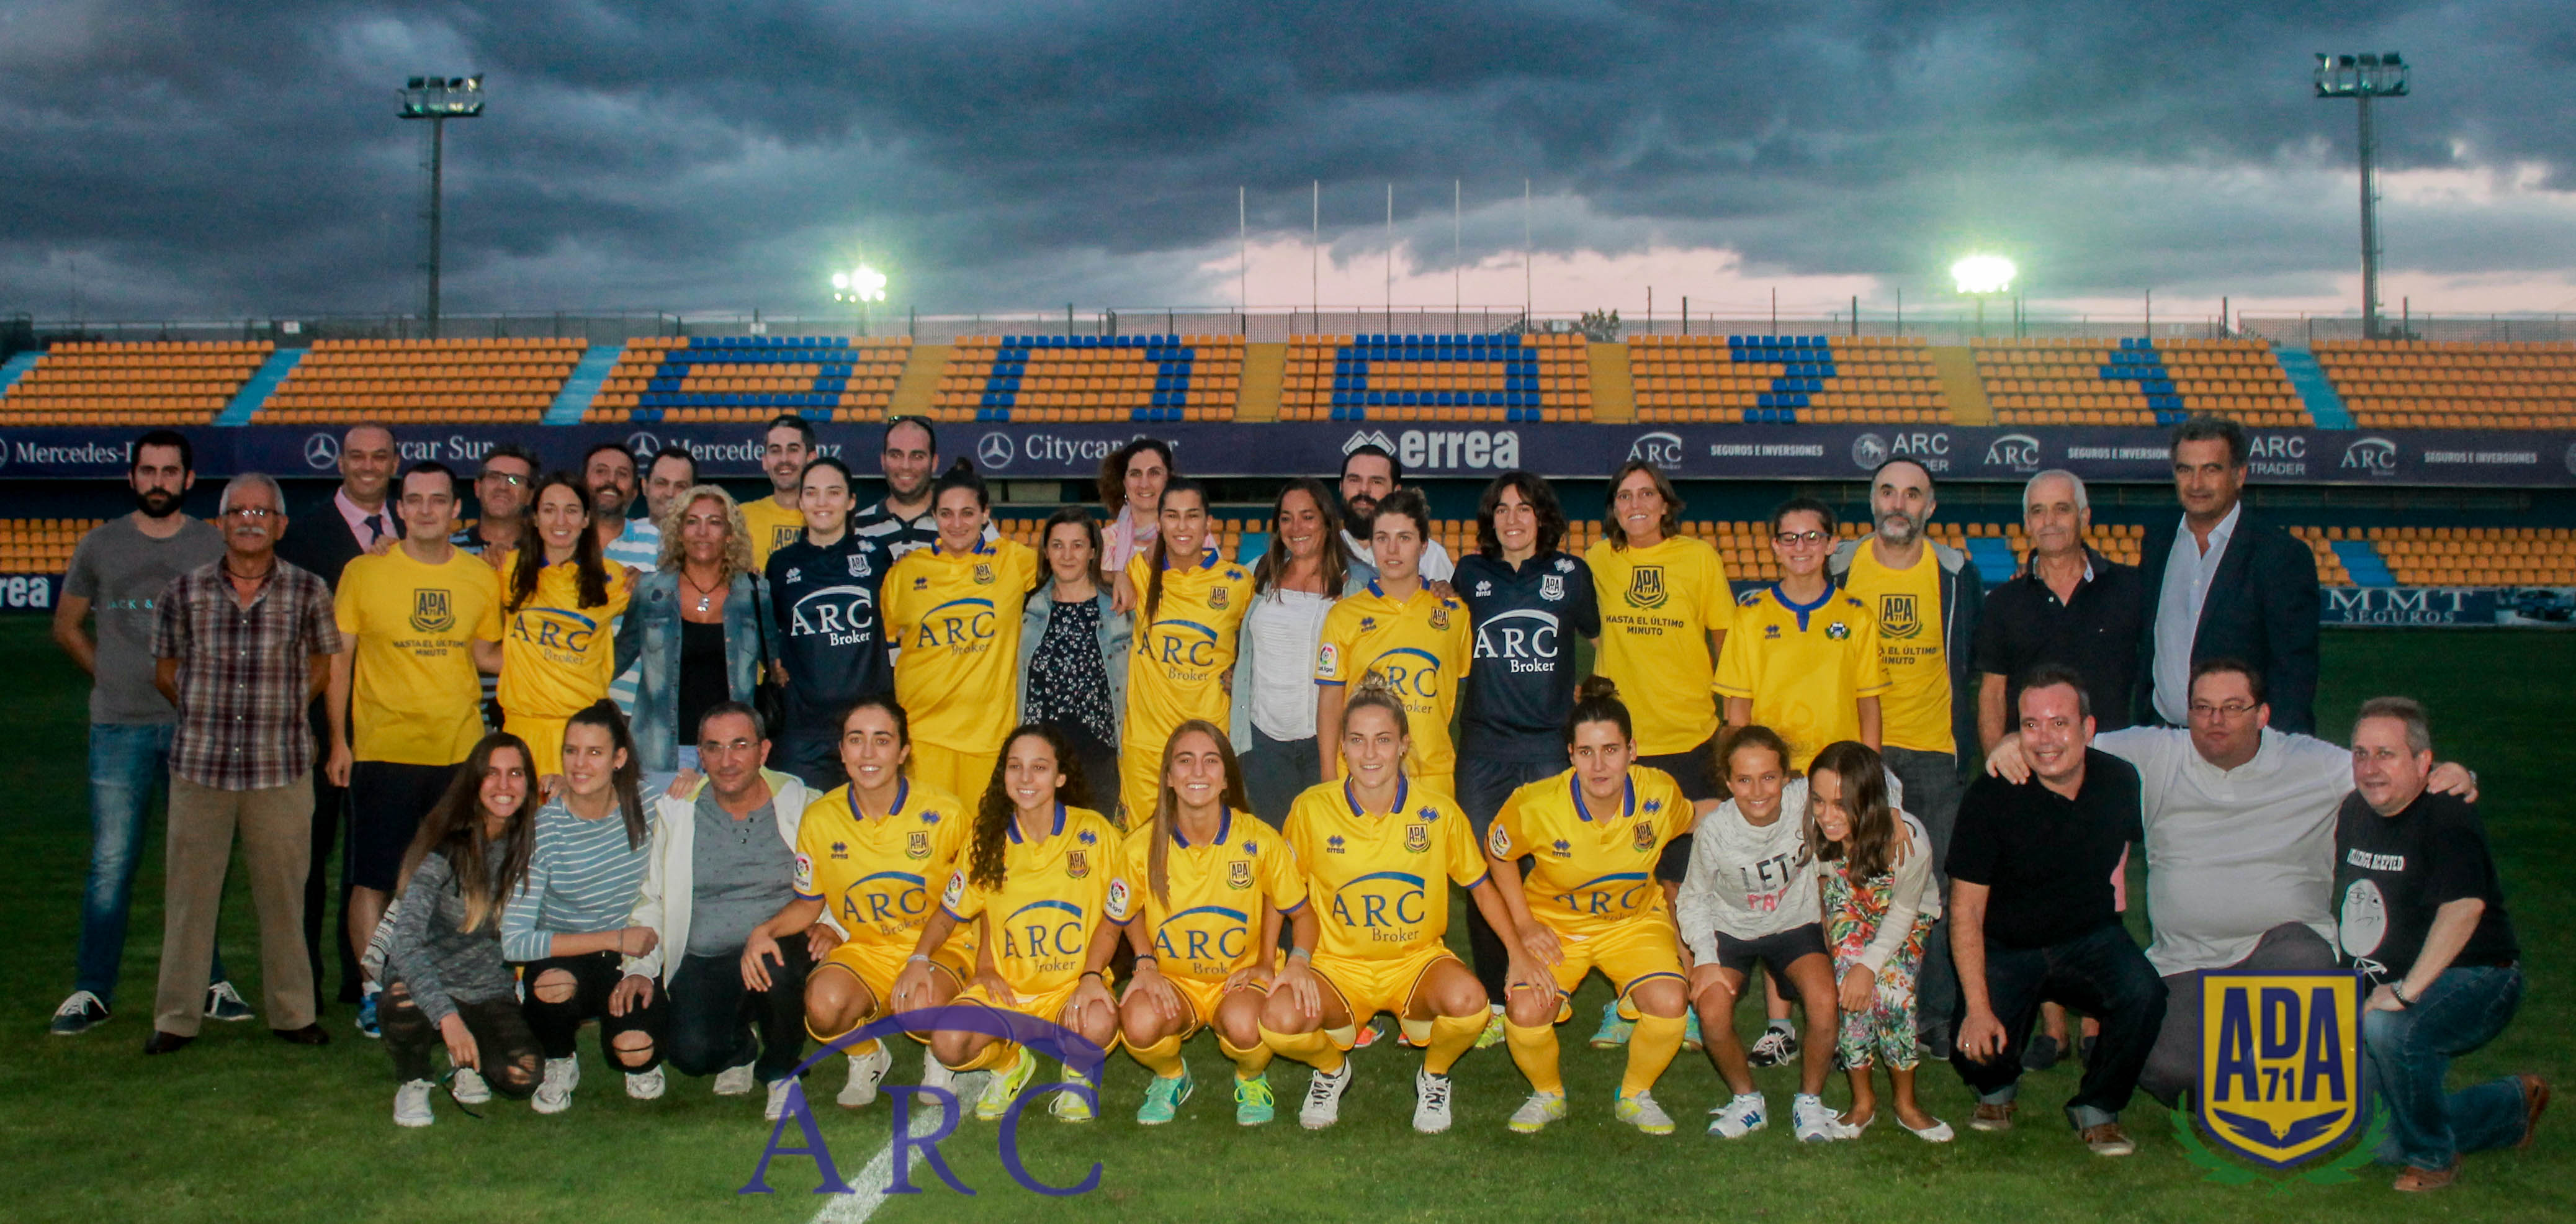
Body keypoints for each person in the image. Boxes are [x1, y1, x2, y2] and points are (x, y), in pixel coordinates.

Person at [1983, 657, 2478, 1108]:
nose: (2214, 721)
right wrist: (2014, 742)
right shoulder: (2157, 753)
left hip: (2284, 950)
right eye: (2201, 708)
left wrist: (2452, 771)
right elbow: (2062, 740)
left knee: (2303, 964)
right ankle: (2266, 1085)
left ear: (2262, 714)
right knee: (2160, 1068)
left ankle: (2268, 1082)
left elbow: (2386, 772)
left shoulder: (2313, 764)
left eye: (2231, 708)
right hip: (2185, 960)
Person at [1258, 675, 1540, 1133]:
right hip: (1337, 966)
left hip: (1415, 963)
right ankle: (1331, 1071)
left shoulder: (1439, 812)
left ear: (1403, 745)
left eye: (1383, 740)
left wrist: (1519, 953)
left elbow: (1481, 887)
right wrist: (1275, 962)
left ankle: (1434, 1076)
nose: (1370, 754)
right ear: (1342, 748)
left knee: (1471, 1004)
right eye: (1358, 740)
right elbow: (1281, 892)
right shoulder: (1311, 809)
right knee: (1276, 1019)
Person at [142, 472, 343, 1054]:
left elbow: (322, 667)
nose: (250, 520)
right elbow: (166, 673)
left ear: (280, 525)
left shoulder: (309, 591)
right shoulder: (184, 591)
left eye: (262, 512)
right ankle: (176, 1016)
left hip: (279, 769)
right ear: (222, 523)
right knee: (188, 898)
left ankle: (292, 1013)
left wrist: (277, 710)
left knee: (284, 896)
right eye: (238, 511)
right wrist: (208, 714)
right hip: (200, 770)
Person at [52, 430, 240, 1035]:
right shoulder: (101, 544)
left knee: (198, 861)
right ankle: (91, 988)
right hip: (118, 727)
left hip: (194, 731)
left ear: (189, 480)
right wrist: (107, 672)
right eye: (148, 470)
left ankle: (209, 982)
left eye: (170, 471)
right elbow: (67, 626)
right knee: (112, 861)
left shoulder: (211, 544)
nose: (158, 480)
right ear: (133, 478)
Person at [1947, 666, 2165, 1157]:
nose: (2044, 739)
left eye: (2059, 723)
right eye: (2030, 724)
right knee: (1974, 1049)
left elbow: (2118, 867)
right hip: (2006, 943)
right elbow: (1963, 909)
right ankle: (1995, 1089)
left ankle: (2098, 1108)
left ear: (2087, 729)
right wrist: (1978, 1009)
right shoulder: (1990, 795)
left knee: (2144, 993)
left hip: (2088, 935)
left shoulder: (2118, 780)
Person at [2338, 697, 2546, 1191]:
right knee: (2379, 1142)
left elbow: (2463, 910)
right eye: (2360, 753)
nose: (2370, 768)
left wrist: (2406, 992)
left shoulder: (2445, 816)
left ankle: (2434, 1159)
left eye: (2386, 754)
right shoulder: (2354, 809)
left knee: (2393, 1030)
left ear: (2422, 762)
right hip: (2384, 984)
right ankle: (2511, 1106)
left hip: (2477, 976)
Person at [327, 461, 505, 1037]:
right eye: (415, 500)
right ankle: (376, 992)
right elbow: (340, 661)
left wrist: (571, 648)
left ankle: (455, 984)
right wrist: (338, 739)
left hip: (459, 751)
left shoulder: (481, 578)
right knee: (374, 877)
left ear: (457, 511)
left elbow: (486, 657)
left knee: (461, 878)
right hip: (382, 750)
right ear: (398, 509)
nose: (426, 509)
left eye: (438, 500)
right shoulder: (363, 572)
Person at [1484, 678, 1693, 1135]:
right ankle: (1547, 1095)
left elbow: (1695, 821)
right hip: (1556, 927)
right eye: (1585, 752)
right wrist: (1523, 923)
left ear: (1632, 750)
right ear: (1570, 754)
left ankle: (1635, 1095)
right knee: (1524, 1010)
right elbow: (1498, 852)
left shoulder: (1660, 795)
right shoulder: (1535, 804)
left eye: (1610, 750)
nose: (1598, 765)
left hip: (1633, 923)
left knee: (1670, 1001)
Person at [1826, 456, 1981, 1053]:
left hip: (1935, 753)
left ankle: (1934, 1013)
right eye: (1887, 491)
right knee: (1855, 886)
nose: (1899, 503)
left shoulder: (1954, 574)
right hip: (1862, 751)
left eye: (1912, 494)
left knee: (1935, 890)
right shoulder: (1841, 566)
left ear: (1930, 507)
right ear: (1872, 502)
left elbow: (1969, 663)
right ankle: (1854, 1013)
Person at [894, 725, 1124, 1122]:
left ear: (1061, 777)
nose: (1026, 778)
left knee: (1099, 1021)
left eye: (1039, 767)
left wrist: (1101, 973)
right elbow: (949, 913)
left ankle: (1078, 1073)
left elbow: (1123, 909)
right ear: (1004, 776)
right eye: (1015, 767)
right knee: (948, 1045)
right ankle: (1009, 1066)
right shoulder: (987, 841)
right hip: (1007, 990)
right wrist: (918, 959)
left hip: (1070, 988)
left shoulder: (1094, 833)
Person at [755, 696, 973, 1110]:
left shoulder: (946, 813)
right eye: (856, 740)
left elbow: (973, 901)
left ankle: (940, 1055)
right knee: (822, 1006)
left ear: (903, 752)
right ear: (841, 751)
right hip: (869, 950)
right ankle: (866, 1056)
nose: (868, 753)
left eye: (882, 740)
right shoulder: (820, 818)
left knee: (921, 1007)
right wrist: (763, 932)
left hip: (942, 948)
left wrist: (924, 959)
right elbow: (807, 902)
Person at [608, 703, 822, 1119]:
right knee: (691, 1055)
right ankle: (738, 1048)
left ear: (764, 751)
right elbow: (652, 898)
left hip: (778, 944)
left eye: (740, 746)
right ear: (700, 757)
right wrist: (639, 967)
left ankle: (780, 1069)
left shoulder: (803, 804)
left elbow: (834, 877)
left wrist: (829, 927)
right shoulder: (677, 811)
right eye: (714, 748)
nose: (727, 761)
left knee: (773, 961)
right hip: (705, 956)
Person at [1453, 471, 1599, 1038]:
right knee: (1485, 869)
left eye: (1524, 508)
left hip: (1546, 746)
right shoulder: (1470, 574)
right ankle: (1494, 999)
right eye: (1502, 509)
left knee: (1547, 868)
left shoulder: (1571, 575)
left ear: (1542, 518)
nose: (1512, 519)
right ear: (1490, 522)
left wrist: (1594, 691)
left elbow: (1596, 637)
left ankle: (1545, 986)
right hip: (1485, 747)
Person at [1107, 721, 1313, 1125]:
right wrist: (1144, 962)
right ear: (1168, 777)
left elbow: (1301, 913)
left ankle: (1250, 1076)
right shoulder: (1139, 846)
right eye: (1185, 761)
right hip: (1174, 979)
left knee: (1246, 1026)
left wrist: (1283, 961)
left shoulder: (1258, 839)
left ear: (1225, 778)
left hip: (1238, 978)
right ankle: (1172, 1077)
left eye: (1210, 761)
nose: (1197, 772)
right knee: (1138, 1022)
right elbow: (1122, 910)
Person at [1673, 726, 1854, 1143]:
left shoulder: (1804, 799)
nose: (1757, 791)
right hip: (1731, 930)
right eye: (1744, 780)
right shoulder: (1716, 830)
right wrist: (1705, 958)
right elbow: (1693, 898)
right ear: (1728, 782)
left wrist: (1894, 814)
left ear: (1787, 777)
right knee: (1713, 1013)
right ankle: (1746, 1101)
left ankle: (1809, 1102)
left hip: (1794, 923)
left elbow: (1872, 778)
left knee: (1825, 1003)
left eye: (1768, 777)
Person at [273, 421, 397, 1015]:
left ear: (395, 463)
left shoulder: (417, 529)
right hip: (321, 723)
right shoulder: (302, 535)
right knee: (311, 855)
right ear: (340, 463)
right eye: (357, 456)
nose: (368, 466)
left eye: (379, 456)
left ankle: (364, 978)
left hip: (394, 722)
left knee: (374, 858)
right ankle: (302, 984)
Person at [502, 701, 660, 1114]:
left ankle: (634, 1053)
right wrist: (614, 937)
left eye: (594, 752)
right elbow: (513, 942)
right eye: (572, 751)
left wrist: (687, 780)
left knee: (637, 1051)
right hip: (566, 956)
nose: (580, 763)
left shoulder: (647, 804)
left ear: (619, 759)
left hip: (628, 961)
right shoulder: (543, 828)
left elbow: (710, 786)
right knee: (552, 986)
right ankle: (559, 1057)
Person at [378, 733, 544, 1126]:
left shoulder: (533, 843)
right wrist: (447, 1018)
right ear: (474, 782)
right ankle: (414, 1080)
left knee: (523, 1075)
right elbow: (405, 942)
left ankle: (468, 1062)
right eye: (492, 774)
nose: (504, 786)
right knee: (401, 1004)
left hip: (487, 990)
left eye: (516, 774)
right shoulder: (445, 848)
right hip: (426, 983)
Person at [1807, 740, 1950, 1141]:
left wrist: (1868, 966)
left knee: (1892, 994)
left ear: (1870, 800)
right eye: (1818, 801)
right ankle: (1862, 1102)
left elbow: (1903, 914)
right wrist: (1851, 964)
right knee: (1848, 992)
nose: (1827, 816)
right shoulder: (1813, 827)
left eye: (1841, 804)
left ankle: (1905, 1104)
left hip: (1903, 913)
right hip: (1848, 902)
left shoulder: (1908, 841)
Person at [2141, 415, 2320, 733]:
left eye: (2211, 469)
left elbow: (2294, 672)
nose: (2196, 484)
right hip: (2164, 740)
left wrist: (2279, 755)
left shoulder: (2280, 555)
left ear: (2239, 475)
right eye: (2185, 470)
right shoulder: (2158, 541)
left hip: (2241, 748)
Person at [882, 460, 1040, 799]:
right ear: (933, 516)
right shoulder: (905, 572)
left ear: (986, 514)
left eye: (967, 513)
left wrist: (1123, 580)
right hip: (923, 737)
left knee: (982, 844)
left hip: (988, 738)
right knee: (928, 846)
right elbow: (881, 639)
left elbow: (1074, 567)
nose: (956, 524)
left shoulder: (1013, 560)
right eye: (946, 513)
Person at [1586, 460, 1733, 805]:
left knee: (1692, 848)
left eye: (1646, 494)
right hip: (1619, 739)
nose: (1635, 505)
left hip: (1690, 735)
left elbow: (1726, 642)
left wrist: (1733, 718)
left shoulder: (1699, 557)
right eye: (1625, 496)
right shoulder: (1598, 558)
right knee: (1623, 852)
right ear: (1614, 509)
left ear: (1665, 504)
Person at [1228, 477, 1372, 824]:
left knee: (1326, 846)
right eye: (1287, 518)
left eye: (1308, 516)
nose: (1297, 528)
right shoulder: (1258, 575)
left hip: (1326, 743)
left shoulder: (1359, 583)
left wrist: (1440, 586)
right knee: (1273, 851)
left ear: (1327, 520)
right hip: (1262, 741)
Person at [1973, 469, 2149, 752]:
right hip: (2032, 766)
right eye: (2039, 511)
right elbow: (1992, 693)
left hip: (2111, 762)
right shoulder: (2002, 602)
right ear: (2028, 522)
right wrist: (1998, 762)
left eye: (2062, 509)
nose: (2050, 522)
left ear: (2084, 517)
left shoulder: (2131, 589)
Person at [1313, 490, 1471, 796]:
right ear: (1371, 543)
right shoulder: (1343, 615)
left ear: (1424, 545)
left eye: (1405, 538)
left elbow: (1462, 702)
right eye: (1382, 538)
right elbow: (1330, 702)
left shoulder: (1456, 615)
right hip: (1361, 775)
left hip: (1432, 778)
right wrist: (1329, 777)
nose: (1393, 549)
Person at [616, 485, 777, 774]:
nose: (702, 531)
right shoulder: (650, 590)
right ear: (678, 532)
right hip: (658, 753)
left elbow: (778, 667)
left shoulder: (755, 591)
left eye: (714, 522)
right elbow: (611, 662)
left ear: (730, 534)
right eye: (692, 521)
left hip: (731, 757)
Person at [1717, 497, 1886, 770]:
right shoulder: (1749, 616)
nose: (1800, 546)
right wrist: (1744, 768)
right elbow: (1738, 709)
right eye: (1789, 537)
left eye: (1812, 537)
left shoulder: (1857, 615)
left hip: (1839, 769)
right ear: (1776, 546)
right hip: (1772, 773)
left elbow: (1868, 704)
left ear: (1831, 544)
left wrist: (1870, 767)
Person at [1120, 478, 1254, 821]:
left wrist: (1243, 673)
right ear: (1159, 522)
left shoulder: (1237, 583)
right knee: (1142, 848)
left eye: (1192, 516)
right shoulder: (1137, 573)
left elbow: (1261, 643)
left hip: (1208, 744)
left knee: (1204, 848)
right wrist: (1117, 573)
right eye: (1172, 516)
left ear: (1208, 523)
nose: (1182, 526)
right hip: (1146, 745)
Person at [763, 457, 895, 790]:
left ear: (851, 501)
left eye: (833, 492)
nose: (822, 502)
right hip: (802, 731)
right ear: (800, 501)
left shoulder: (877, 555)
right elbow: (772, 635)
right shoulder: (780, 565)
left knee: (868, 830)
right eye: (812, 493)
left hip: (867, 728)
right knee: (802, 832)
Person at [496, 474, 634, 780]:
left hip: (582, 735)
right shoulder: (506, 570)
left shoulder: (614, 579)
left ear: (586, 519)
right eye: (549, 509)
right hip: (521, 729)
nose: (561, 520)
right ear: (534, 518)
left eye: (571, 510)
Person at [1018, 508, 1130, 812]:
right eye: (1058, 545)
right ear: (1045, 552)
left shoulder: (1119, 609)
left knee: (1094, 851)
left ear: (1093, 551)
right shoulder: (1026, 606)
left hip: (1098, 757)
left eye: (1077, 545)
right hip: (1039, 759)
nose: (1067, 555)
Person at [854, 416, 995, 560]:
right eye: (896, 455)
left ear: (934, 463)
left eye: (917, 456)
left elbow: (997, 576)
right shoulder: (856, 527)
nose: (906, 466)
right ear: (883, 461)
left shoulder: (972, 525)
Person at [1338, 444, 1454, 582]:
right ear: (1341, 486)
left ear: (1396, 490)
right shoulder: (1322, 552)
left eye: (1376, 482)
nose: (1364, 489)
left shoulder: (1430, 556)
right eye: (1354, 480)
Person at [739, 413, 815, 572]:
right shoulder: (740, 518)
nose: (784, 459)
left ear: (811, 458)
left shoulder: (828, 516)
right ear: (765, 461)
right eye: (775, 451)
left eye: (793, 449)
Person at [1098, 438, 1174, 575]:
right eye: (1135, 474)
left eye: (1154, 473)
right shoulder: (1102, 543)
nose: (1144, 484)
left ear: (1168, 479)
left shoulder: (1190, 537)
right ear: (1123, 482)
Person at [452, 444, 537, 559]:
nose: (503, 487)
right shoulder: (448, 550)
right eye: (494, 477)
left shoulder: (544, 551)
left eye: (515, 480)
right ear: (477, 488)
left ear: (530, 496)